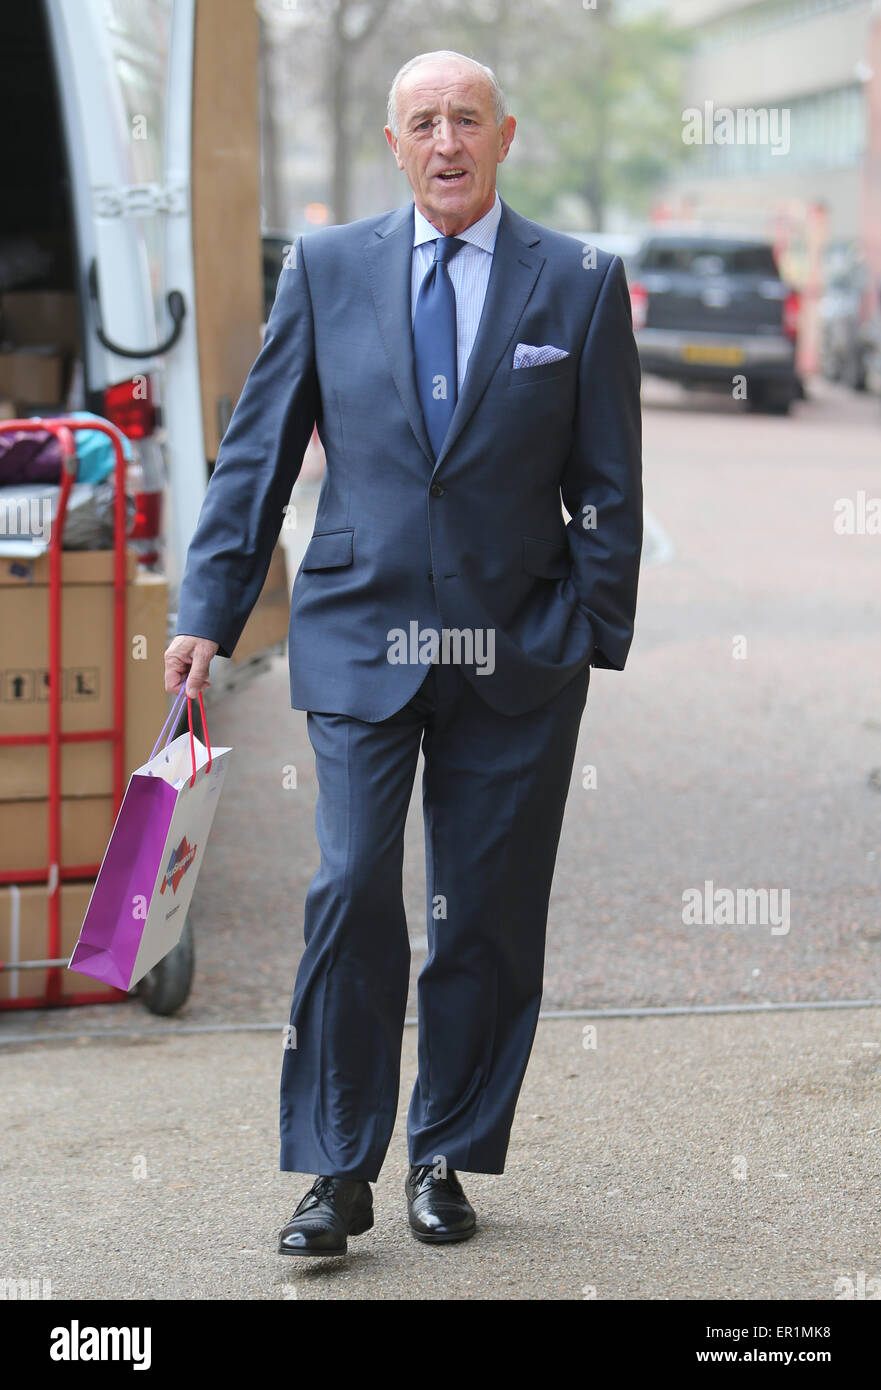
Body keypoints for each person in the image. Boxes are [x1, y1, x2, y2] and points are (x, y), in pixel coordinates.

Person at [164, 49, 642, 1255]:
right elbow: (255, 455)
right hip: (358, 634)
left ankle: (445, 1153)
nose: (445, 141)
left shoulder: (579, 283)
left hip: (514, 652)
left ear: (504, 135)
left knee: (483, 912)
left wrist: (586, 628)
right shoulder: (324, 271)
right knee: (348, 891)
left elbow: (610, 486)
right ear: (392, 143)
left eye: (466, 120)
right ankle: (336, 1171)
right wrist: (205, 612)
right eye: (422, 121)